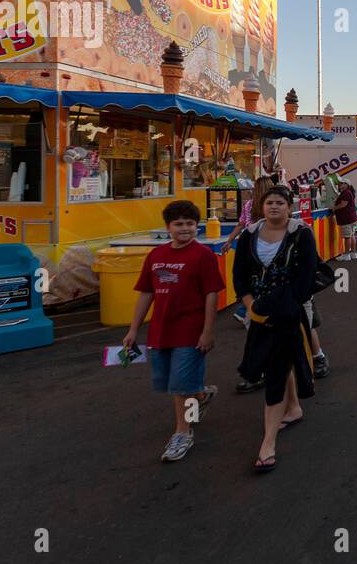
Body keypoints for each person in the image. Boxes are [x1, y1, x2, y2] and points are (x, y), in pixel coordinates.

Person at [122, 200, 224, 463]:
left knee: (180, 388)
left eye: (190, 224)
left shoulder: (203, 255)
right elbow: (147, 293)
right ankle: (201, 393)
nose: (185, 229)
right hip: (161, 330)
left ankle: (183, 431)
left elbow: (212, 294)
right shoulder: (156, 256)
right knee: (173, 382)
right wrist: (134, 330)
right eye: (179, 224)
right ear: (167, 227)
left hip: (190, 331)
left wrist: (208, 331)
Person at [233, 185, 319, 474]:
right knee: (277, 365)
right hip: (257, 314)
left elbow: (306, 276)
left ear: (289, 206)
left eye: (280, 203)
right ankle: (293, 408)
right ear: (262, 206)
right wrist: (251, 306)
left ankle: (267, 443)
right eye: (270, 202)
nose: (274, 207)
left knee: (275, 371)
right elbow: (240, 274)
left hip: (287, 314)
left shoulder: (301, 234)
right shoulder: (249, 235)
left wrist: (283, 307)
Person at [224, 176, 274, 326]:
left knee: (252, 279)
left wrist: (229, 240)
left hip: (248, 248)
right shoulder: (271, 205)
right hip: (266, 247)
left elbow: (240, 225)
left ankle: (244, 310)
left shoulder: (249, 205)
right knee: (265, 280)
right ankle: (247, 311)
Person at [333, 179, 357, 260]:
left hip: (346, 218)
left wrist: (334, 208)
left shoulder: (346, 193)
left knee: (347, 237)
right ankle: (353, 253)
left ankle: (346, 255)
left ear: (347, 185)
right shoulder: (348, 192)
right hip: (351, 218)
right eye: (340, 183)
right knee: (351, 235)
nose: (340, 185)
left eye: (342, 183)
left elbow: (343, 204)